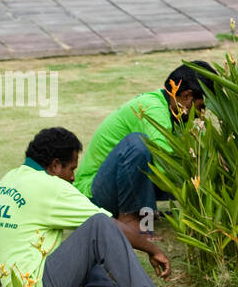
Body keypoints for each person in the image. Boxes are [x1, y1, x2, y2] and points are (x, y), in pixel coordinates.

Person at [0, 126, 215, 287]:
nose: (73, 177)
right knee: (98, 226)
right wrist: (152, 249)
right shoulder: (50, 186)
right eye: (71, 169)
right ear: (56, 165)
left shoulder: (8, 179)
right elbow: (108, 226)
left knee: (84, 234)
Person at [73, 61, 214, 227]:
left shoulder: (176, 114)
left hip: (118, 188)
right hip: (94, 195)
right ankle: (133, 222)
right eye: (201, 107)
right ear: (187, 96)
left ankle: (137, 214)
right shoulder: (153, 109)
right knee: (138, 144)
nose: (201, 114)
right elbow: (164, 167)